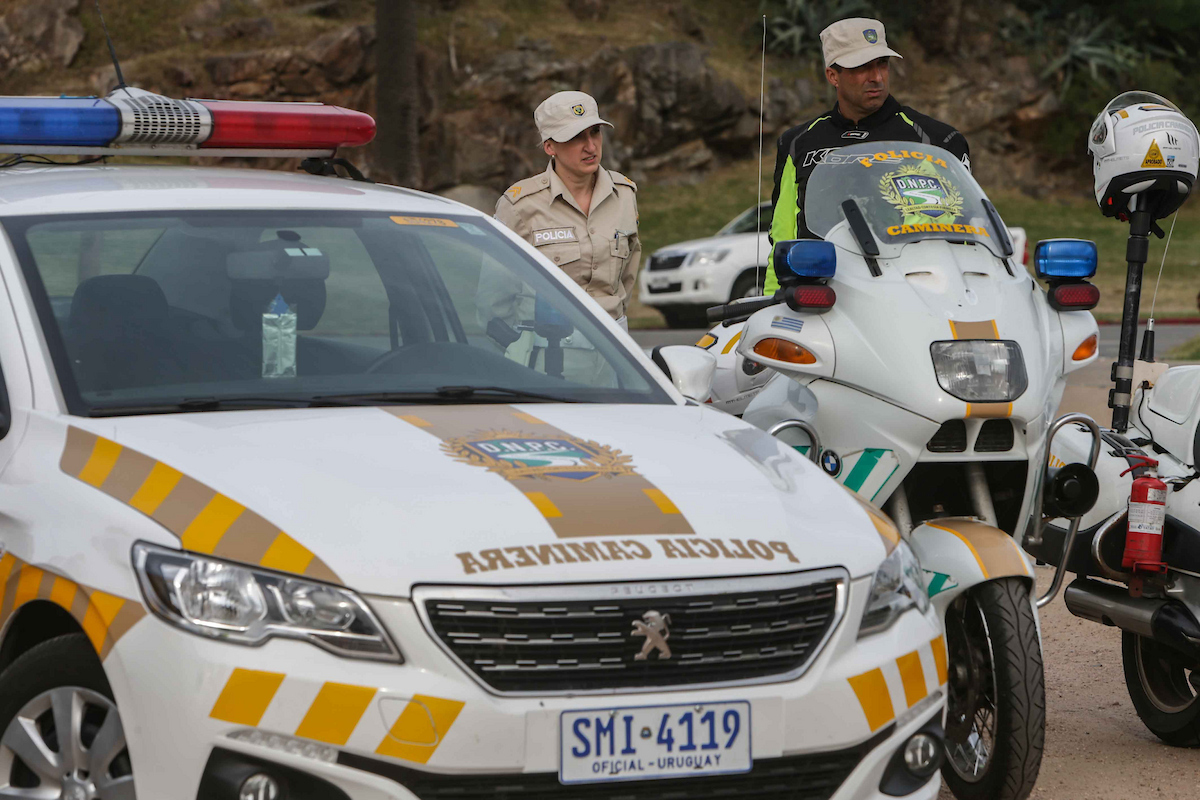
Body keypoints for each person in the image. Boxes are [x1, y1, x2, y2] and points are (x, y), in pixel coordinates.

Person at [764, 17, 970, 294]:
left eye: (882, 64)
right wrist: (774, 300)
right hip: (817, 296)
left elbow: (948, 237)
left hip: (904, 296)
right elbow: (783, 235)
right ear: (832, 75)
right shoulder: (797, 142)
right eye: (861, 68)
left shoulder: (935, 140)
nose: (876, 77)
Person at [494, 90, 641, 329]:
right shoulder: (519, 206)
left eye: (595, 132)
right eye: (575, 137)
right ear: (550, 147)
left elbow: (628, 276)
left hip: (613, 352)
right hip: (546, 353)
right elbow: (497, 296)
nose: (590, 146)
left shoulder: (624, 194)